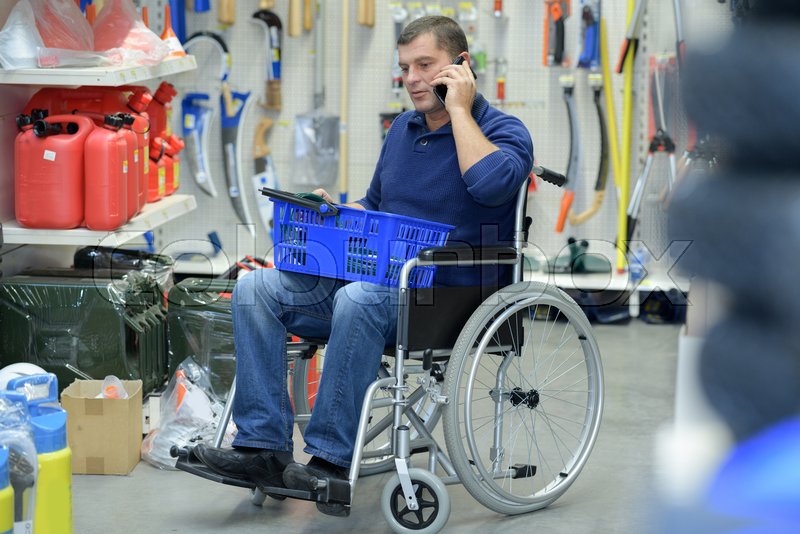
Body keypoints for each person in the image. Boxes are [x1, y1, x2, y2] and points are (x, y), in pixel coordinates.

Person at [193, 15, 534, 517]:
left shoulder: (506, 131)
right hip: (380, 281)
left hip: (449, 299)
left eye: (426, 65)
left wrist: (460, 110)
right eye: (405, 68)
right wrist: (340, 214)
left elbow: (489, 185)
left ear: (461, 66)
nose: (413, 79)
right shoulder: (402, 129)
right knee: (256, 288)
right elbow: (377, 210)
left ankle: (330, 462)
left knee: (357, 298)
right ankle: (263, 448)